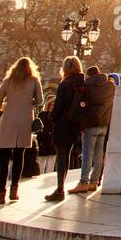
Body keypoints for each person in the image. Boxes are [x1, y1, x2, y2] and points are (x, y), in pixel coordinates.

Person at [0, 57, 43, 205]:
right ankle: (14, 190)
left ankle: (1, 193)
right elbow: (40, 101)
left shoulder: (8, 81)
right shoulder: (34, 81)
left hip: (8, 121)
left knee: (4, 158)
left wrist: (9, 104)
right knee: (19, 156)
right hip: (24, 122)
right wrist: (29, 102)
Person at [45, 56, 85, 203]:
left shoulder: (65, 83)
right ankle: (60, 187)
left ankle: (60, 189)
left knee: (61, 157)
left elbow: (59, 106)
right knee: (66, 157)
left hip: (62, 125)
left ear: (65, 67)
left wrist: (51, 116)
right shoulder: (82, 82)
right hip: (74, 125)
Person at [70, 65, 115, 194]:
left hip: (90, 125)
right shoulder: (110, 87)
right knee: (99, 154)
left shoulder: (87, 86)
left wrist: (82, 122)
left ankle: (83, 182)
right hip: (104, 124)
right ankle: (94, 181)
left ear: (89, 75)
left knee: (87, 154)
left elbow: (82, 105)